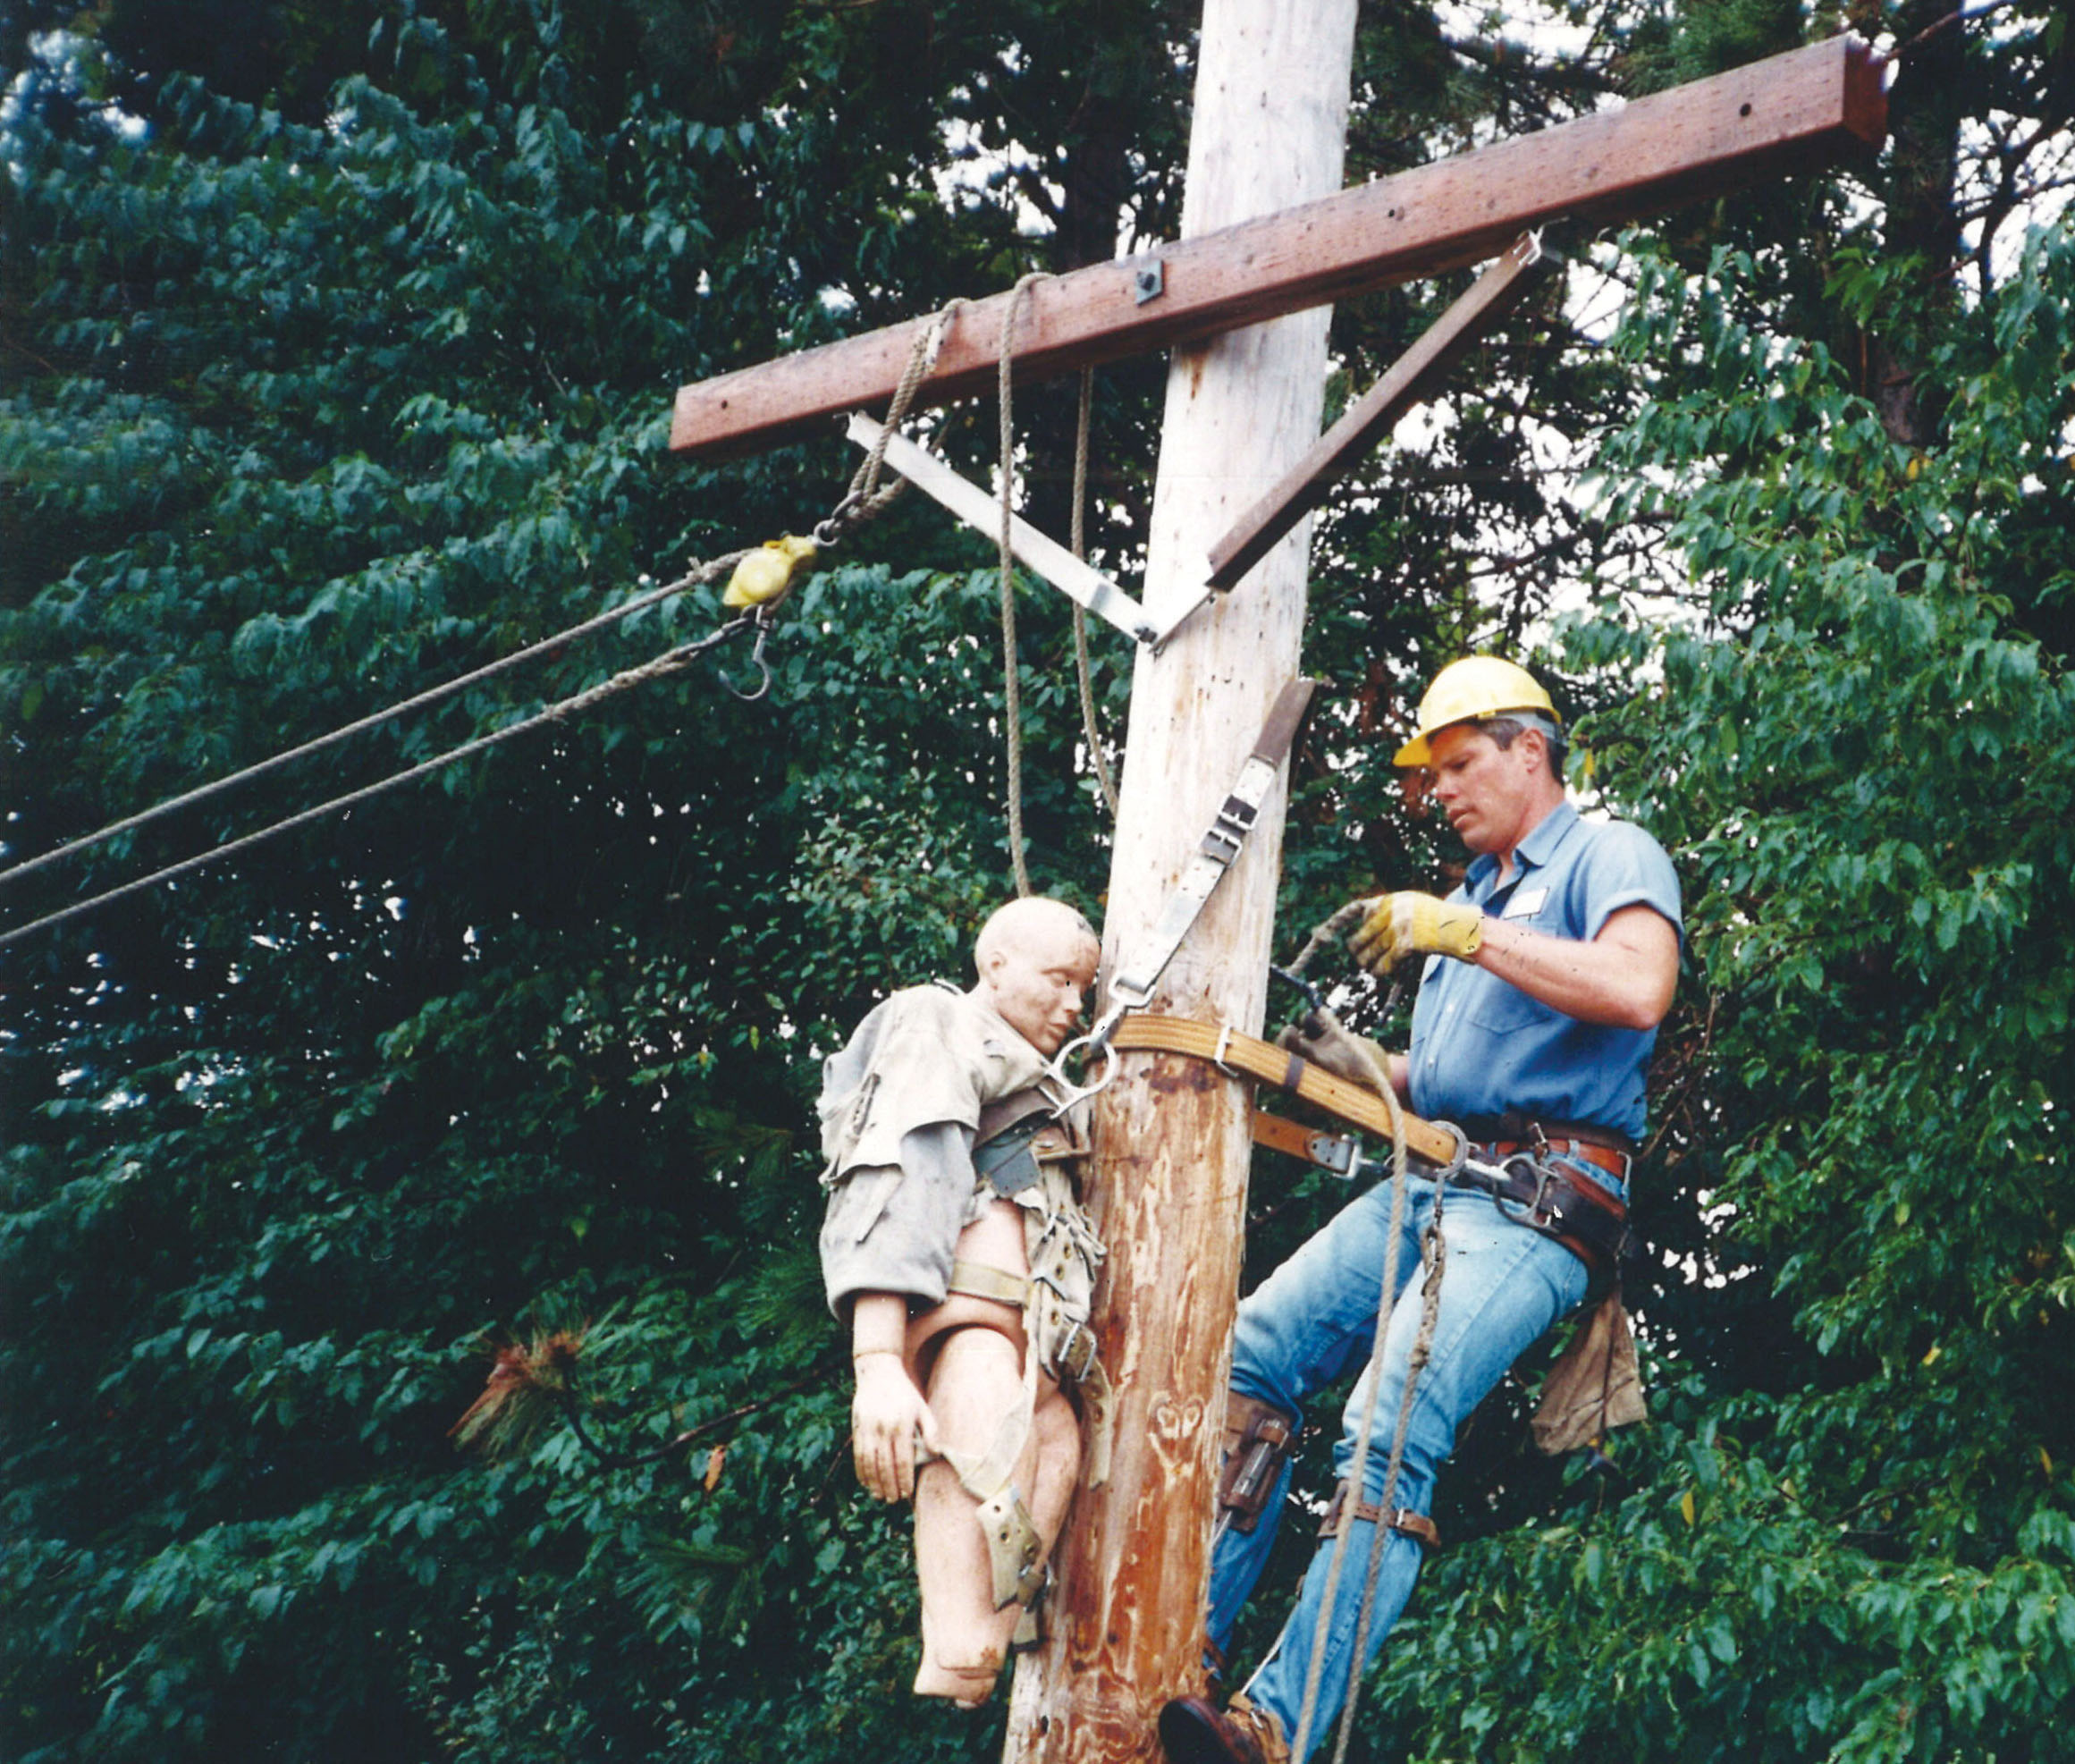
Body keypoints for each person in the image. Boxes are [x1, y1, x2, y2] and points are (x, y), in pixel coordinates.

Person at [1159, 656, 1682, 1764]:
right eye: (1432, 771)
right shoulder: (1468, 899)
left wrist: (1464, 935)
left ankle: (1271, 1727)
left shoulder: (1605, 853)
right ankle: (1176, 1651)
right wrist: (1354, 1068)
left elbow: (1636, 986)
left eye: (1457, 762)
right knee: (1251, 1353)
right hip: (1435, 1178)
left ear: (1527, 749)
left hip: (1537, 1203)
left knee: (1388, 1422)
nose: (1438, 789)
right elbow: (1446, 1074)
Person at [818, 896, 1107, 1705]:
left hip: (1043, 1370)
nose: (1073, 1003)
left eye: (1083, 987)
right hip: (974, 1342)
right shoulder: (935, 1023)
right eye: (1058, 980)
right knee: (962, 1638)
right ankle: (955, 1650)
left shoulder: (1046, 1080)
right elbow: (894, 1175)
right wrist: (876, 1361)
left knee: (995, 1622)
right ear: (996, 966)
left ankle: (975, 1650)